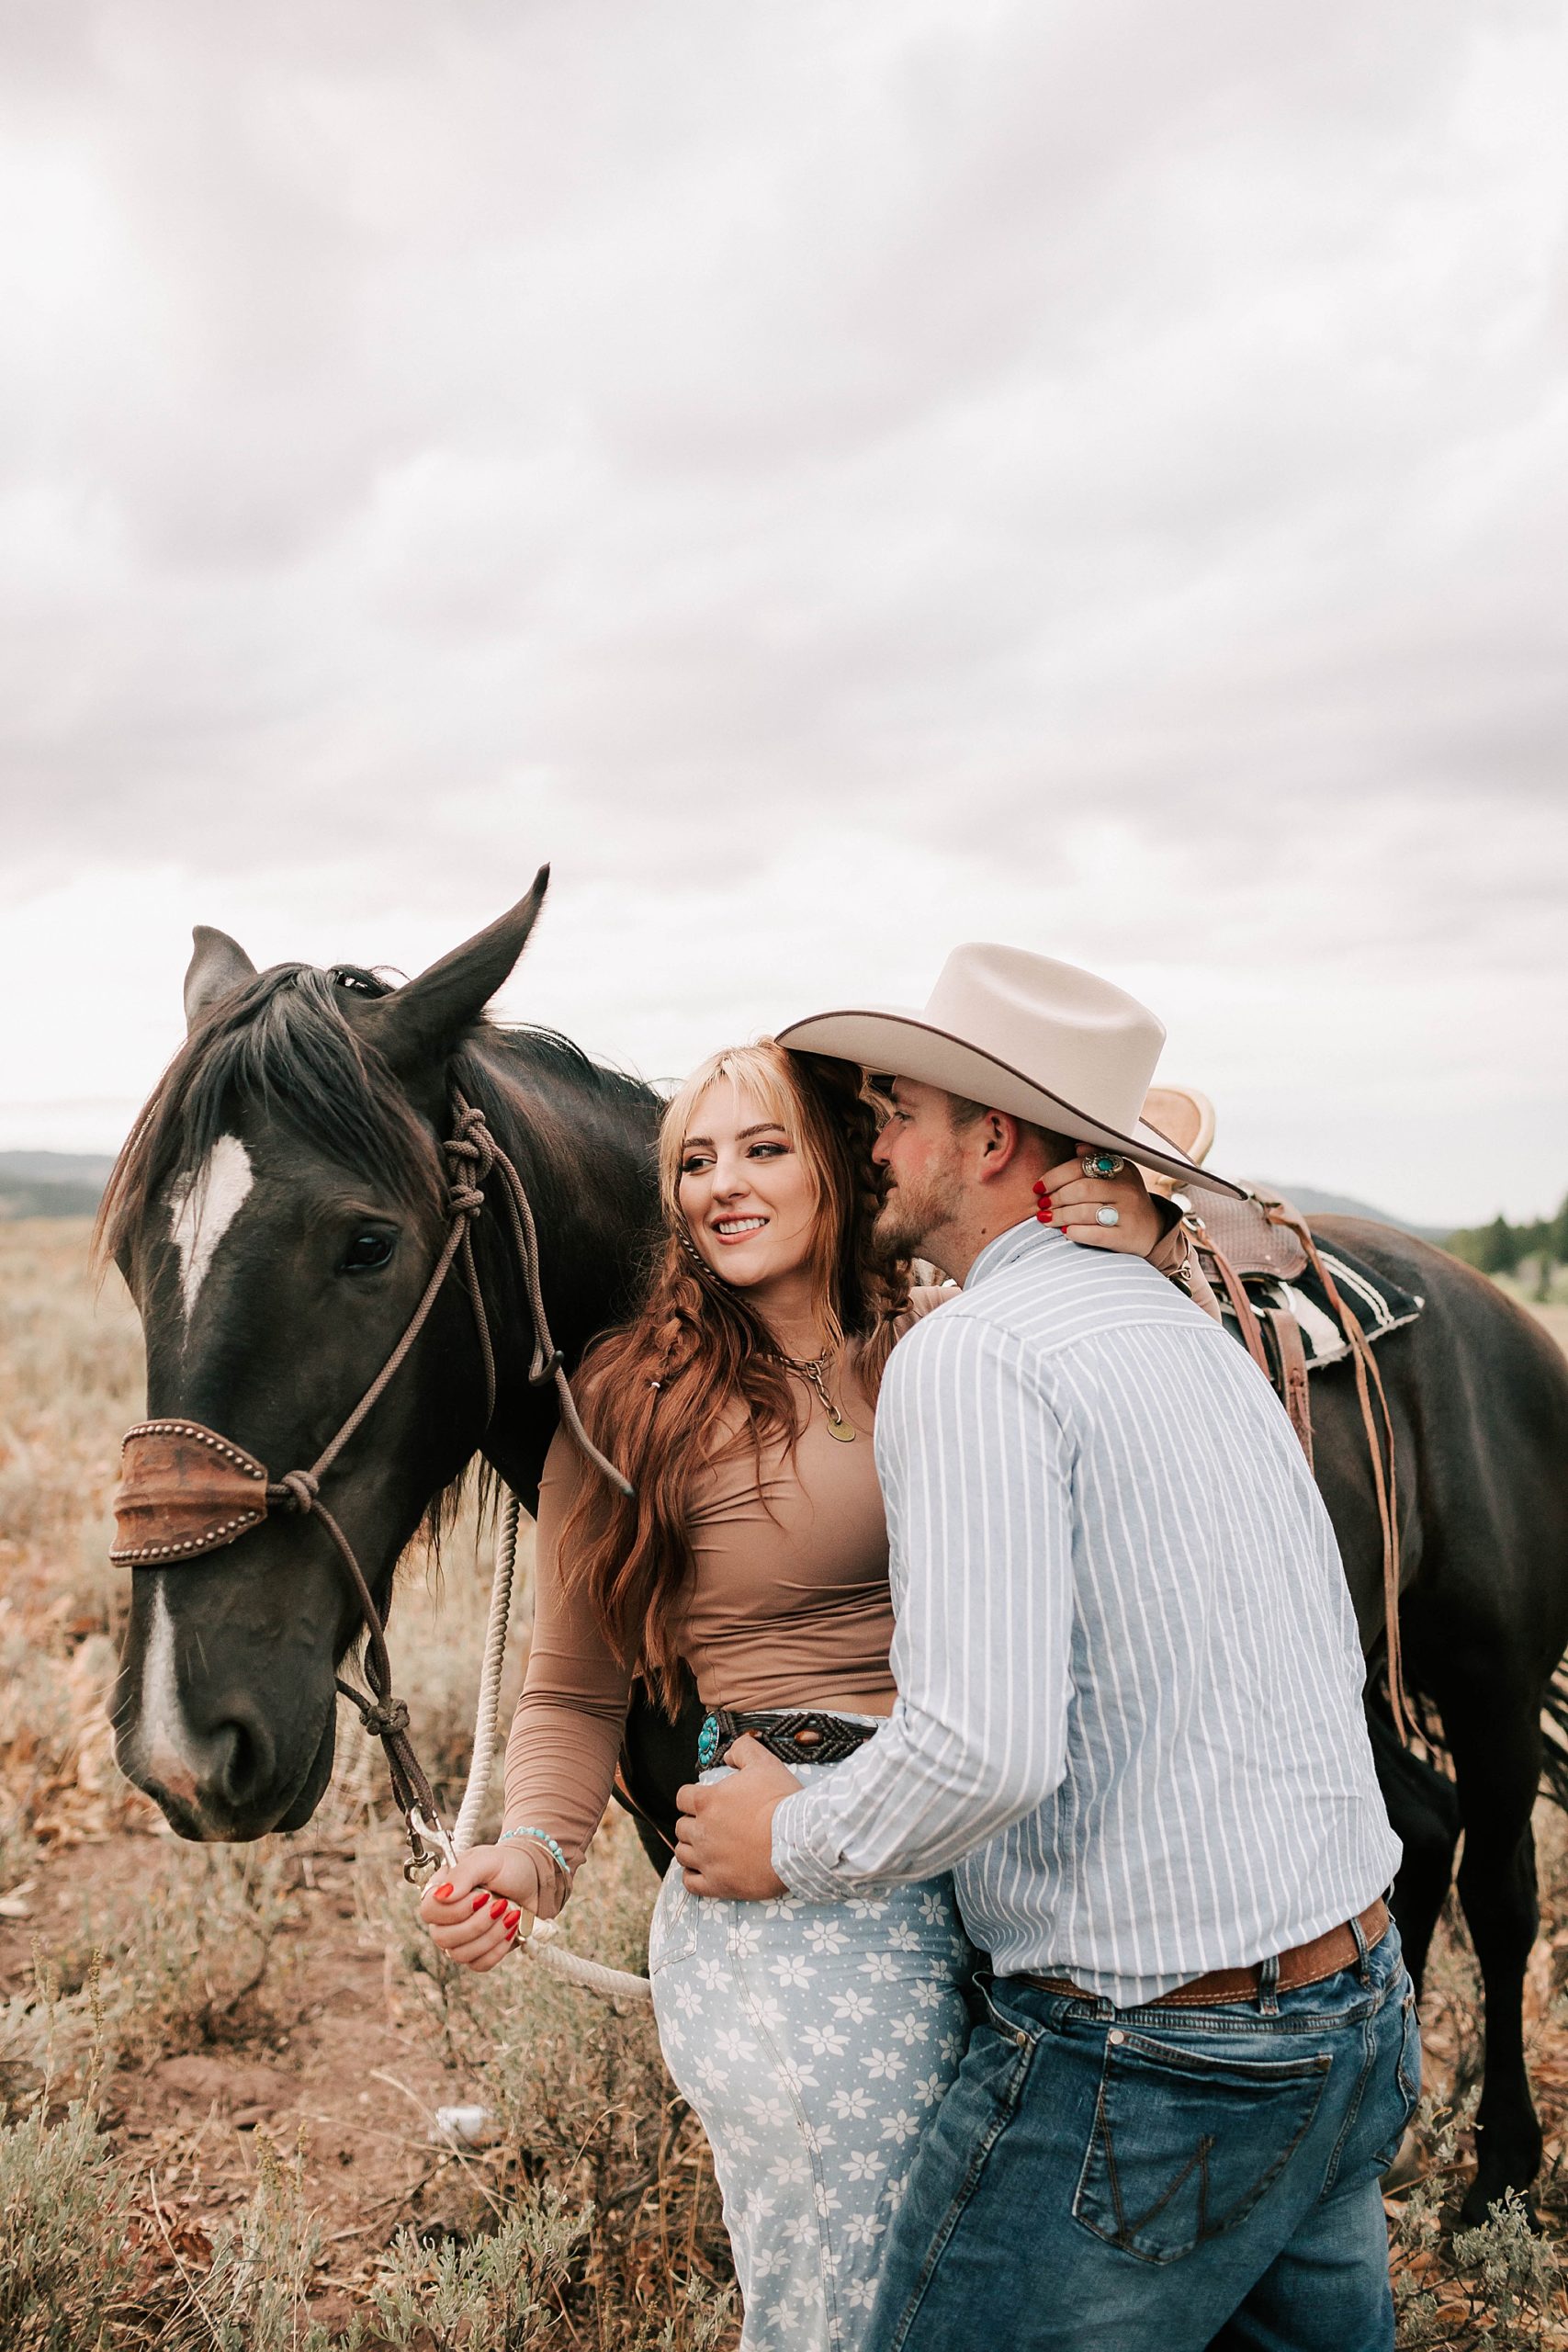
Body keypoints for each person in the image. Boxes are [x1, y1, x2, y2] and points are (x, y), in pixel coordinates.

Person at [675, 944, 1415, 2352]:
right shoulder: (1191, 1331)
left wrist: (795, 1838)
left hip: (1159, 2062)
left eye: (894, 1110)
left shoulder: (978, 1354)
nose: (871, 1141)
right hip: (1353, 2013)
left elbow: (985, 1749)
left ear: (991, 1137)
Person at [416, 1034, 1204, 2352]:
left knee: (1019, 2290)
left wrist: (1152, 1240)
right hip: (794, 1894)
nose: (722, 1183)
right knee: (854, 2304)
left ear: (842, 1164)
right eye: (694, 1160)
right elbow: (572, 1685)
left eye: (764, 1147)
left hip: (1017, 1868)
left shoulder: (955, 1349)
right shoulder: (627, 1406)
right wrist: (537, 1850)